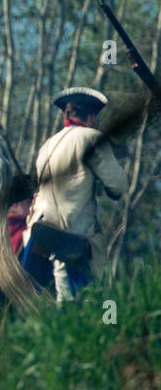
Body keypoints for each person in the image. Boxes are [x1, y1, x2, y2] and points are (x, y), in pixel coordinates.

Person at [24, 88, 128, 302]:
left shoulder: (48, 144)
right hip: (76, 239)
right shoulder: (92, 139)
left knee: (57, 306)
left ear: (66, 115)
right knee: (91, 303)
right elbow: (118, 186)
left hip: (41, 236)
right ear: (91, 116)